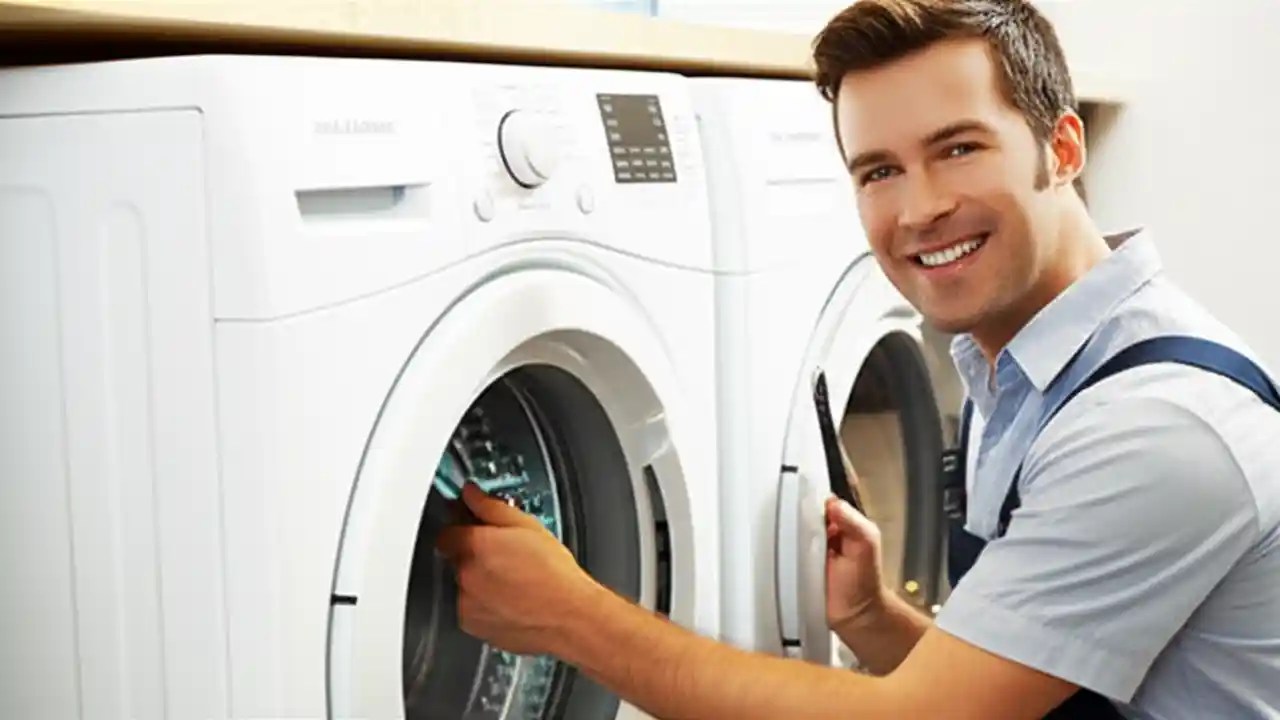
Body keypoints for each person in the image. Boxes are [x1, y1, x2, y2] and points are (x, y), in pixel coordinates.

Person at [436, 0, 1280, 717]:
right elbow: (1023, 685)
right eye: (879, 170)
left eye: (958, 148)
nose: (919, 209)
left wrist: (569, 617)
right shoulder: (1025, 367)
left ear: (1062, 148)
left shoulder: (1155, 428)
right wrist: (875, 616)